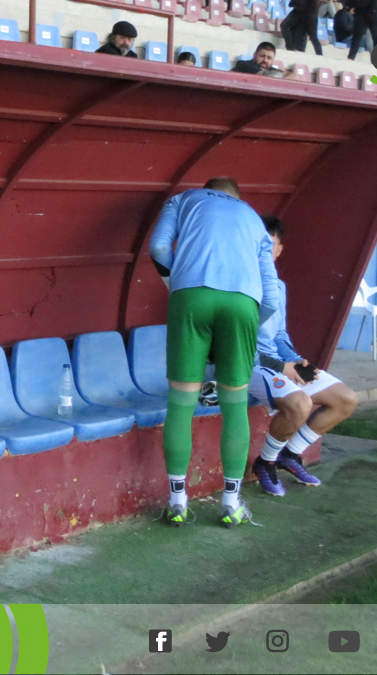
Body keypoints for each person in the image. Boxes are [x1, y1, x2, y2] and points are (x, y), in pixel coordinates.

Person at [149, 177, 279, 528]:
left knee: (182, 399)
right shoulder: (253, 218)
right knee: (234, 401)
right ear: (237, 197)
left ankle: (177, 501)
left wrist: (180, 285)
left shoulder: (183, 199)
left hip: (191, 297)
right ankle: (232, 503)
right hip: (243, 304)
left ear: (208, 190)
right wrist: (248, 325)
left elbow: (160, 247)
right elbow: (272, 298)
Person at [249, 217, 358, 496]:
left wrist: (297, 362)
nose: (264, 252)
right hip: (248, 367)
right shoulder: (237, 287)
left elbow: (279, 335)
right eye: (258, 245)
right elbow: (238, 347)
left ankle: (290, 454)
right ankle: (265, 463)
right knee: (300, 404)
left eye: (269, 246)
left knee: (345, 399)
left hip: (278, 363)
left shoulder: (278, 287)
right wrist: (281, 366)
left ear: (278, 250)